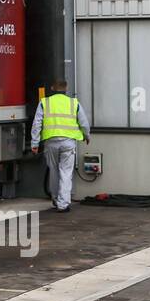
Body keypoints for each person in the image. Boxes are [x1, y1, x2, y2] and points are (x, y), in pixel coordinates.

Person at [30, 79, 90, 213]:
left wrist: (34, 143)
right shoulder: (74, 103)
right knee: (66, 172)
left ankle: (56, 199)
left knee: (54, 171)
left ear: (52, 88)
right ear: (66, 89)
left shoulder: (44, 103)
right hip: (68, 143)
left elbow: (37, 124)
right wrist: (87, 136)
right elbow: (84, 122)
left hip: (50, 142)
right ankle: (63, 204)